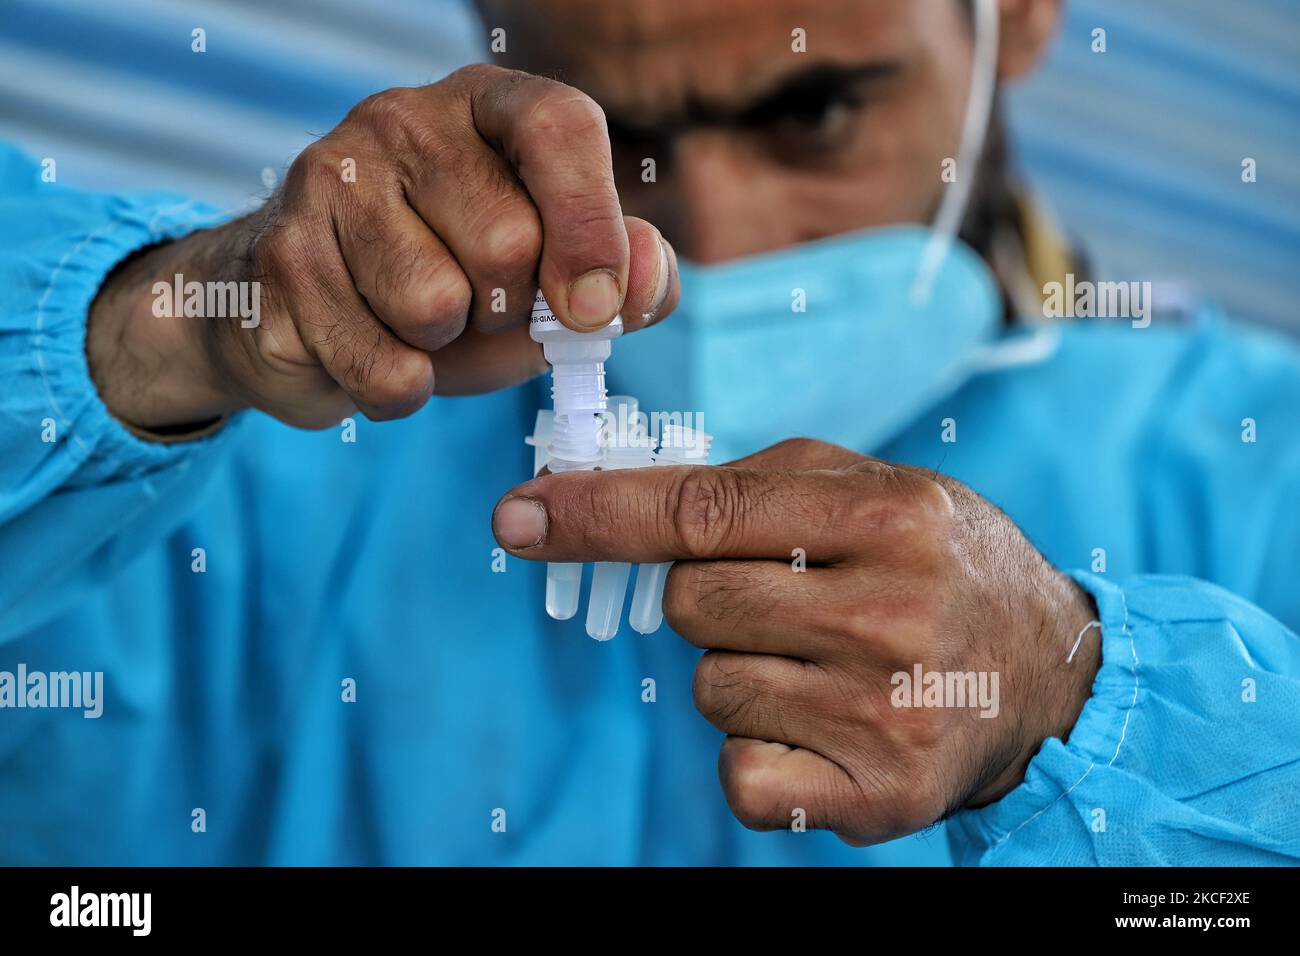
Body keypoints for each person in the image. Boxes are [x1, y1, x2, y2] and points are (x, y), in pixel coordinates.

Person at [1, 0, 1296, 865]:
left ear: (1013, 19)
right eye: (624, 143)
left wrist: (1080, 710)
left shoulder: (1257, 468)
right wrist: (144, 334)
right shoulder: (284, 449)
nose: (715, 249)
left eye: (816, 113)